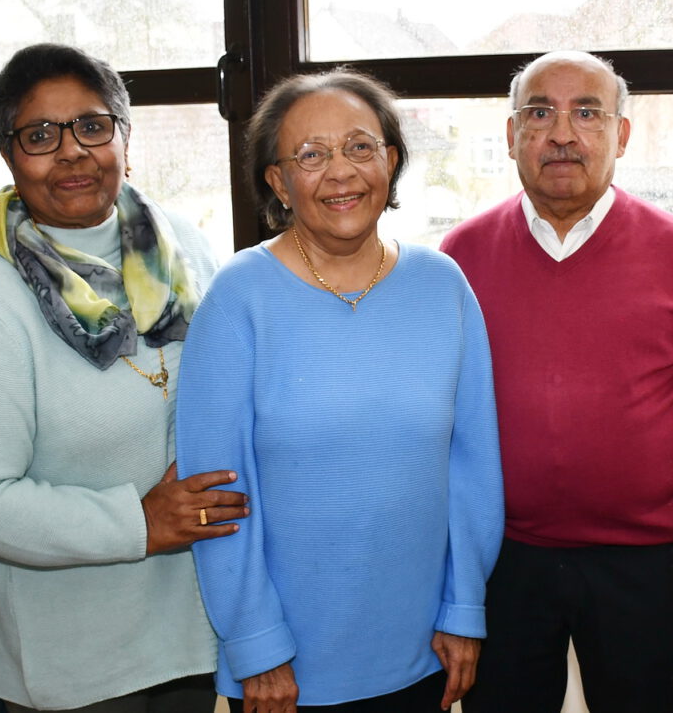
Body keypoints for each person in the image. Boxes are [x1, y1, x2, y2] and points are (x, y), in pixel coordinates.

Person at [0, 43, 243, 712]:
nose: (71, 152)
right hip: (66, 666)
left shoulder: (185, 247)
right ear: (8, 156)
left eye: (92, 126)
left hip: (190, 636)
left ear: (126, 138)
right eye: (40, 135)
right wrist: (137, 522)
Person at [175, 68, 503, 712]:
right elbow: (216, 492)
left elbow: (473, 470)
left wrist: (464, 607)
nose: (341, 171)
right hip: (288, 670)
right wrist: (257, 644)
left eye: (360, 146)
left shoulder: (444, 286)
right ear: (278, 181)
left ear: (393, 160)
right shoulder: (239, 297)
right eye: (311, 154)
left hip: (423, 653)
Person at [441, 50, 673, 713]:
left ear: (621, 135)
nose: (562, 134)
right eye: (540, 113)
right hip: (503, 562)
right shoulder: (458, 257)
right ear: (512, 135)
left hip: (649, 565)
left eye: (587, 113)